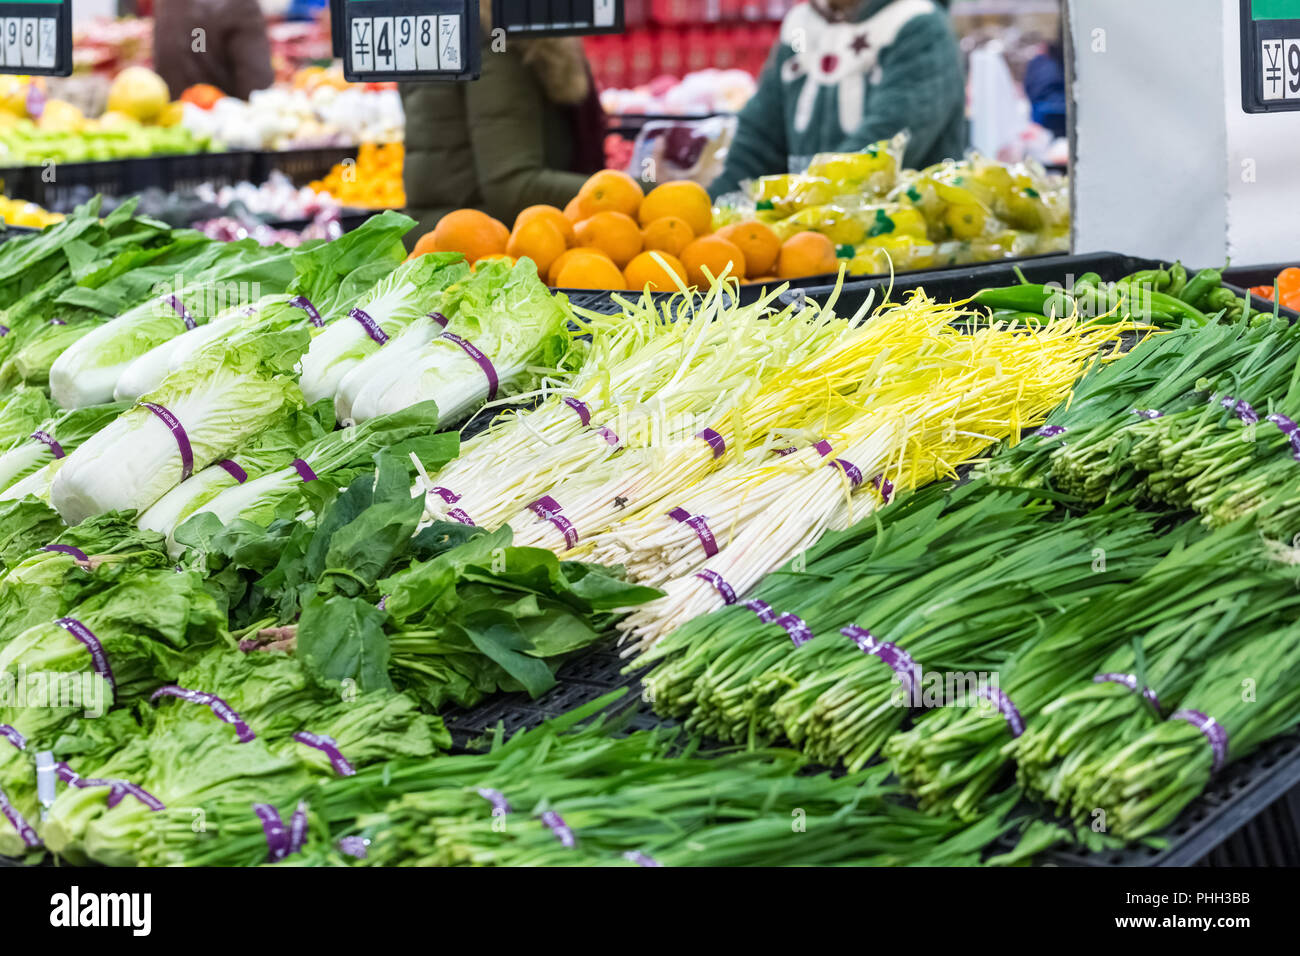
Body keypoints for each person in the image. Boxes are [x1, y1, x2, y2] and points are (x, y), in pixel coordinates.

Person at [400, 0, 606, 247]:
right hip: (477, 248)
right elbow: (513, 187)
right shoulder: (494, 37)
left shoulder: (443, 21)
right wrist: (637, 190)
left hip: (444, 242)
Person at [709, 0, 965, 198]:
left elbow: (886, 145)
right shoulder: (801, 28)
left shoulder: (918, 24)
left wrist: (799, 203)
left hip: (903, 241)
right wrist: (710, 209)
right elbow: (760, 140)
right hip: (812, 234)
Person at [152, 0, 275, 100]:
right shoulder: (241, 5)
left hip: (171, 120)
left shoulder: (167, 4)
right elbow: (258, 92)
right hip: (220, 123)